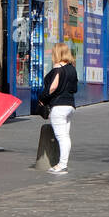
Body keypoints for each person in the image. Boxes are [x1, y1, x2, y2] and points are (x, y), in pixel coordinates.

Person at [39, 42, 78, 175]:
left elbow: (52, 87)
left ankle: (62, 165)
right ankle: (63, 163)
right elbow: (75, 88)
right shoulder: (72, 68)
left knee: (62, 136)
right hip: (70, 105)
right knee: (65, 135)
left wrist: (42, 98)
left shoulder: (57, 68)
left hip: (59, 106)